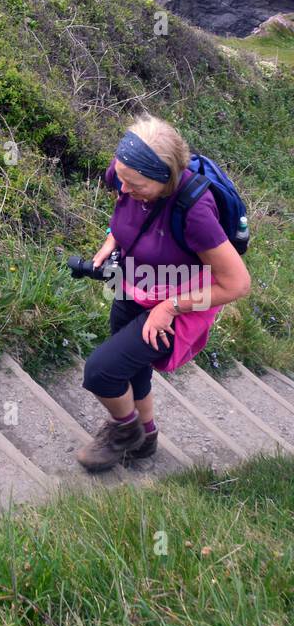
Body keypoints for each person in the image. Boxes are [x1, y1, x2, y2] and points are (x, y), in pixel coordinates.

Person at [76, 114, 251, 472]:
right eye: (120, 179)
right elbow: (126, 209)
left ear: (165, 181)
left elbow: (237, 284)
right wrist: (115, 238)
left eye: (135, 184)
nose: (123, 188)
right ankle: (148, 436)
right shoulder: (127, 173)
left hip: (178, 304)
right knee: (133, 367)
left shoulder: (194, 211)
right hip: (132, 284)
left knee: (101, 373)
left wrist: (171, 307)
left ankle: (126, 432)